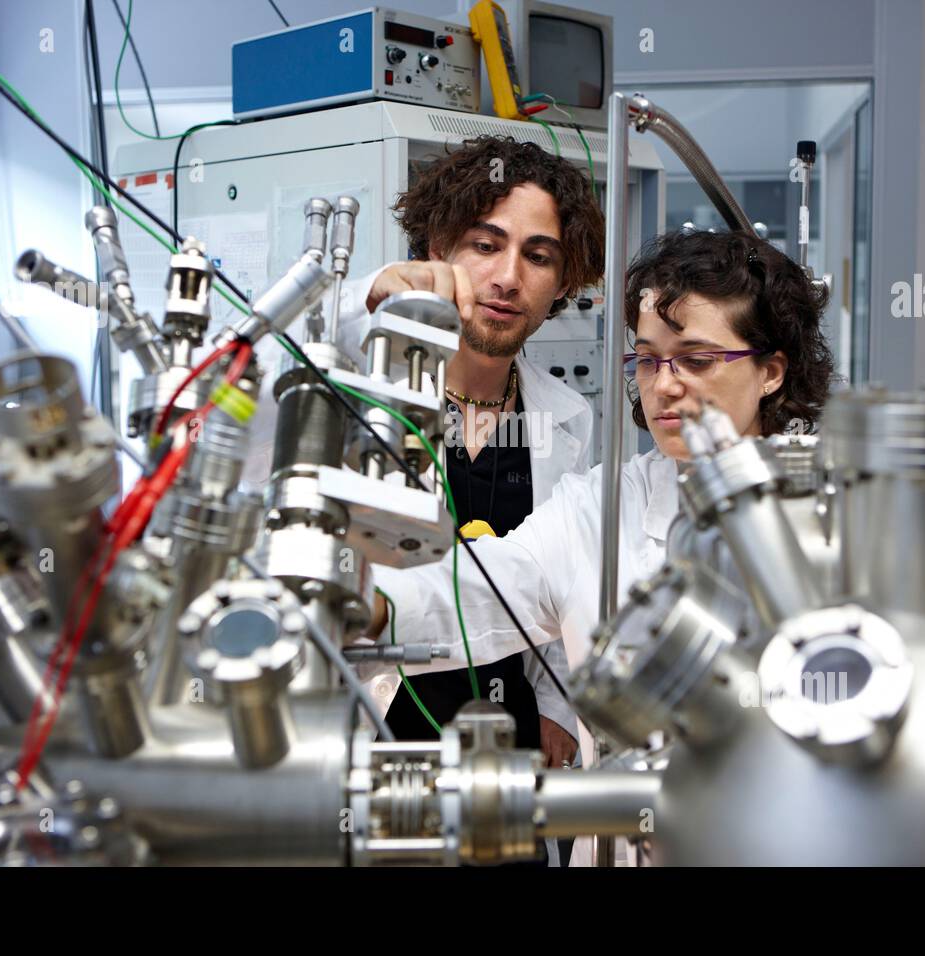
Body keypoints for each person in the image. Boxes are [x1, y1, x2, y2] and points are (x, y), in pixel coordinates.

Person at [358, 228, 834, 860]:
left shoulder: (834, 515)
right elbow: (487, 585)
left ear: (770, 371)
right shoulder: (603, 504)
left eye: (695, 359)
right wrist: (370, 606)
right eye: (647, 357)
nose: (663, 385)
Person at [250, 136, 605, 774]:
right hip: (374, 719)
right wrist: (366, 298)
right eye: (485, 244)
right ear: (438, 251)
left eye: (538, 256)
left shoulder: (565, 417)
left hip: (505, 734)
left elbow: (559, 575)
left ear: (563, 283)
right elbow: (237, 390)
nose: (506, 277)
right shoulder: (357, 382)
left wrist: (555, 703)